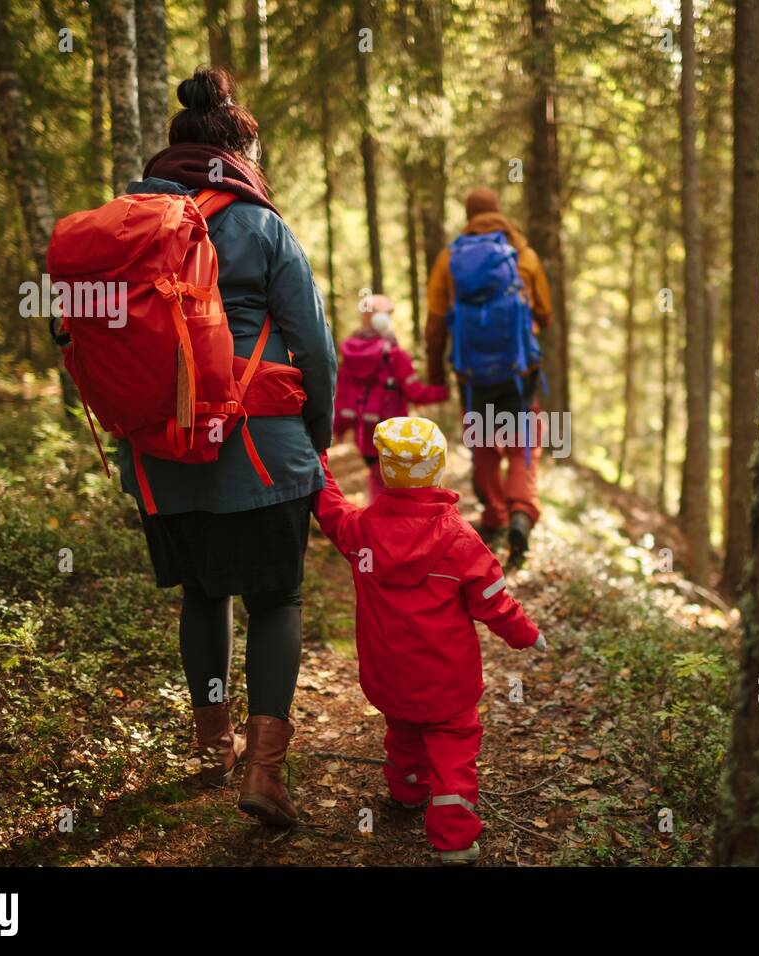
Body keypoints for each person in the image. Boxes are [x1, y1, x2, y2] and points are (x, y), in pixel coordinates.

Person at [119, 67, 336, 826]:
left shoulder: (127, 218)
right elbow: (315, 347)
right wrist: (315, 443)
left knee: (203, 594)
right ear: (239, 150)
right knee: (275, 599)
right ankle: (263, 775)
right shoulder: (262, 225)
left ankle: (209, 748)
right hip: (261, 448)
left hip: (160, 449)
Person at [311, 417, 546, 865]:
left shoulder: (362, 531)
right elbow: (494, 602)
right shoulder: (461, 541)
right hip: (447, 682)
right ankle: (454, 839)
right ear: (437, 470)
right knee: (452, 750)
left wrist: (318, 459)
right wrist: (526, 634)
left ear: (383, 471)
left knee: (402, 728)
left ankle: (405, 791)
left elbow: (329, 508)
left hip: (388, 674)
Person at [425, 187, 553, 566]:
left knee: (483, 443)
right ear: (499, 213)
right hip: (519, 371)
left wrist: (436, 376)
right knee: (522, 443)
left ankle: (495, 514)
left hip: (472, 375)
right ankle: (521, 512)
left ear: (468, 217)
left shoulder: (449, 258)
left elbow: (435, 324)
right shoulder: (522, 255)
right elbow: (543, 312)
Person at [333, 294, 446, 499]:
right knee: (394, 490)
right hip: (395, 436)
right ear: (382, 321)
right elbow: (416, 394)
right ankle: (386, 526)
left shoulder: (350, 355)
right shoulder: (395, 355)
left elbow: (343, 396)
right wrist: (443, 391)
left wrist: (338, 429)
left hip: (365, 437)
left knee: (377, 480)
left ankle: (378, 522)